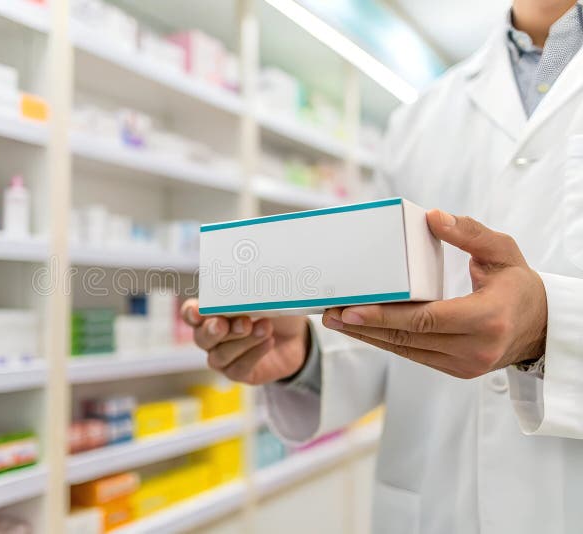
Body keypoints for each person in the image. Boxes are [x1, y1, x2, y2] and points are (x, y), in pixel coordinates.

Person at [181, 0, 583, 532]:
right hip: (436, 506)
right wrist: (307, 355)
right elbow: (387, 306)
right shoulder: (419, 117)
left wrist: (552, 329)